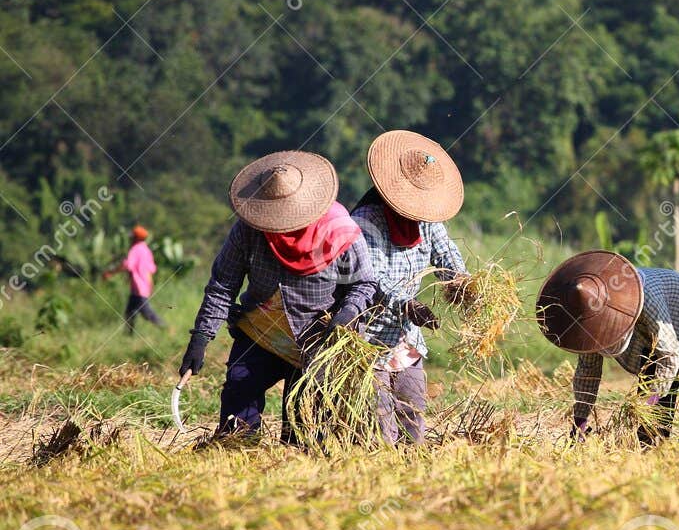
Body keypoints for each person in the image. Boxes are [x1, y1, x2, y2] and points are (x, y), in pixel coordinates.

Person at [179, 151, 378, 442]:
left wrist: (346, 315)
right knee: (238, 391)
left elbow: (365, 284)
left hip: (316, 338)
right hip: (260, 331)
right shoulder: (249, 230)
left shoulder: (340, 231)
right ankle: (239, 455)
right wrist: (200, 337)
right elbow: (223, 284)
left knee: (302, 422)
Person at [351, 130, 470, 444]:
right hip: (365, 340)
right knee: (380, 430)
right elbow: (372, 277)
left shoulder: (426, 220)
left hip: (405, 340)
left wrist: (462, 283)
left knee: (412, 421)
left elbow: (446, 254)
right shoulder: (365, 221)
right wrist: (407, 304)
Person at [536, 251, 679, 446]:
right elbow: (588, 372)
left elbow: (669, 354)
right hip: (650, 344)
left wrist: (648, 402)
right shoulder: (589, 317)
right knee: (651, 432)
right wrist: (580, 423)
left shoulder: (646, 298)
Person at [104, 225, 164, 331]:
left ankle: (165, 328)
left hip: (138, 286)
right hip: (144, 286)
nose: (130, 239)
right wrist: (150, 285)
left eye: (132, 237)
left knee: (146, 312)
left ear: (137, 238)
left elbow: (127, 265)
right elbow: (151, 269)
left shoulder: (135, 249)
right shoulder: (147, 250)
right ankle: (128, 335)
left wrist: (111, 273)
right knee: (130, 312)